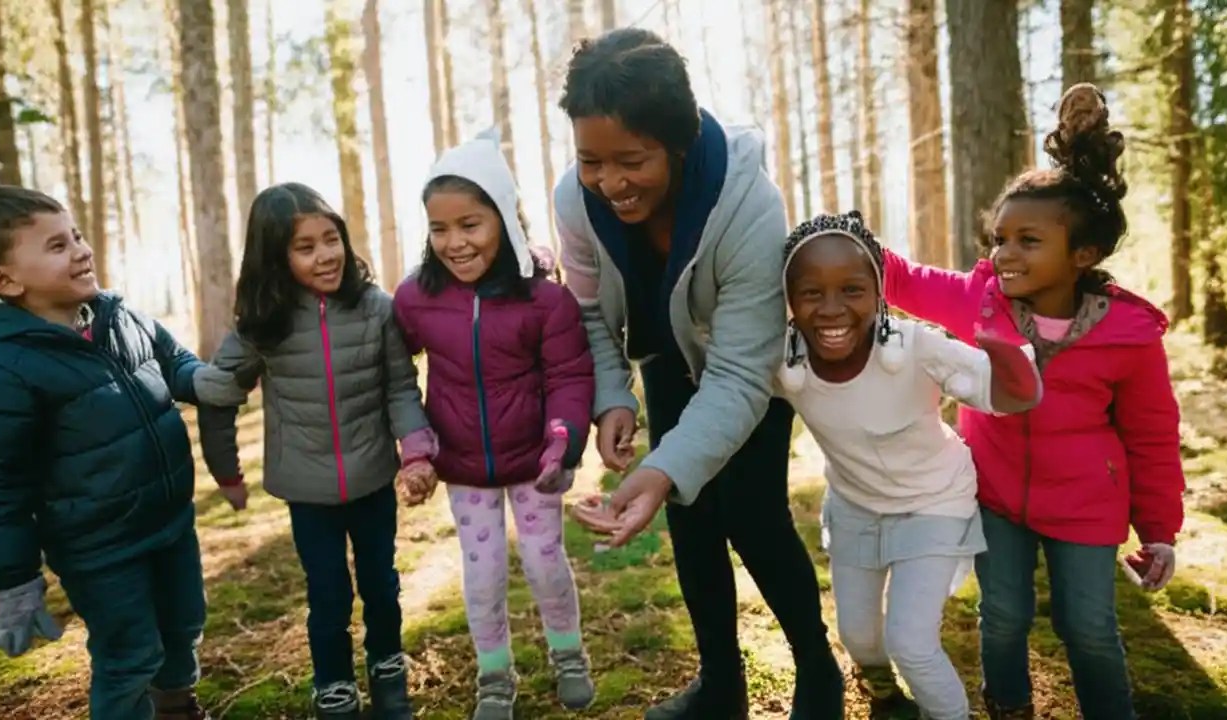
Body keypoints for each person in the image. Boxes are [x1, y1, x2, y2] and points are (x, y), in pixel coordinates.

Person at [555, 28, 844, 720]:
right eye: (592, 160)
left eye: (632, 160)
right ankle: (721, 683)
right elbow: (590, 310)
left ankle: (817, 667)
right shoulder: (577, 199)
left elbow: (743, 372)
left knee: (753, 517)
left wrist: (660, 470)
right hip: (666, 359)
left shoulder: (748, 205)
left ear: (677, 142)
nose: (610, 182)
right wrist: (610, 396)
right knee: (691, 522)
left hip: (747, 370)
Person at [880, 83, 1185, 719]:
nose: (1005, 253)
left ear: (1083, 255)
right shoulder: (980, 302)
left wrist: (1158, 530)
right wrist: (840, 239)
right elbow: (902, 279)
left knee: (1089, 628)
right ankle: (1009, 708)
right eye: (1001, 238)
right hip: (993, 497)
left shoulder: (1128, 336)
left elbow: (1152, 438)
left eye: (1028, 241)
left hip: (1086, 505)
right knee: (1003, 619)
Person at [0, 186, 214, 720]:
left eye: (75, 235)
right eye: (57, 246)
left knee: (183, 626)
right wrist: (15, 579)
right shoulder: (1, 369)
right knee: (129, 654)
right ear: (4, 281)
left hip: (169, 523)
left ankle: (176, 706)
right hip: (100, 550)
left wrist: (208, 381)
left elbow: (175, 361)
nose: (81, 249)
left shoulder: (119, 316)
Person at [776, 210, 1040, 719]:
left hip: (934, 502)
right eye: (812, 293)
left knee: (911, 643)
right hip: (855, 507)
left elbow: (1001, 391)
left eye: (852, 290)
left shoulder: (915, 348)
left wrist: (1008, 364)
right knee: (858, 638)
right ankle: (884, 697)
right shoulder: (784, 363)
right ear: (789, 302)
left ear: (879, 294)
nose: (832, 310)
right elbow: (725, 385)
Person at [194, 183, 437, 720]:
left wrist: (417, 452)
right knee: (327, 593)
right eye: (306, 247)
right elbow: (218, 393)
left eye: (331, 239)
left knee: (381, 582)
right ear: (275, 257)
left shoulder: (375, 309)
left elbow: (401, 387)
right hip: (306, 488)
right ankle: (334, 685)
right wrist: (226, 471)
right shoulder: (264, 323)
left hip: (373, 475)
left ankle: (387, 666)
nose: (325, 254)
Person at [391, 128, 596, 720]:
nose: (454, 242)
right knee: (481, 576)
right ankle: (494, 673)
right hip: (463, 467)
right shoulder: (415, 299)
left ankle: (567, 653)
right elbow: (394, 373)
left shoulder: (544, 301)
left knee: (544, 562)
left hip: (535, 462)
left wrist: (563, 440)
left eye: (469, 224)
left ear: (504, 219)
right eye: (439, 228)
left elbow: (569, 376)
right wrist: (416, 445)